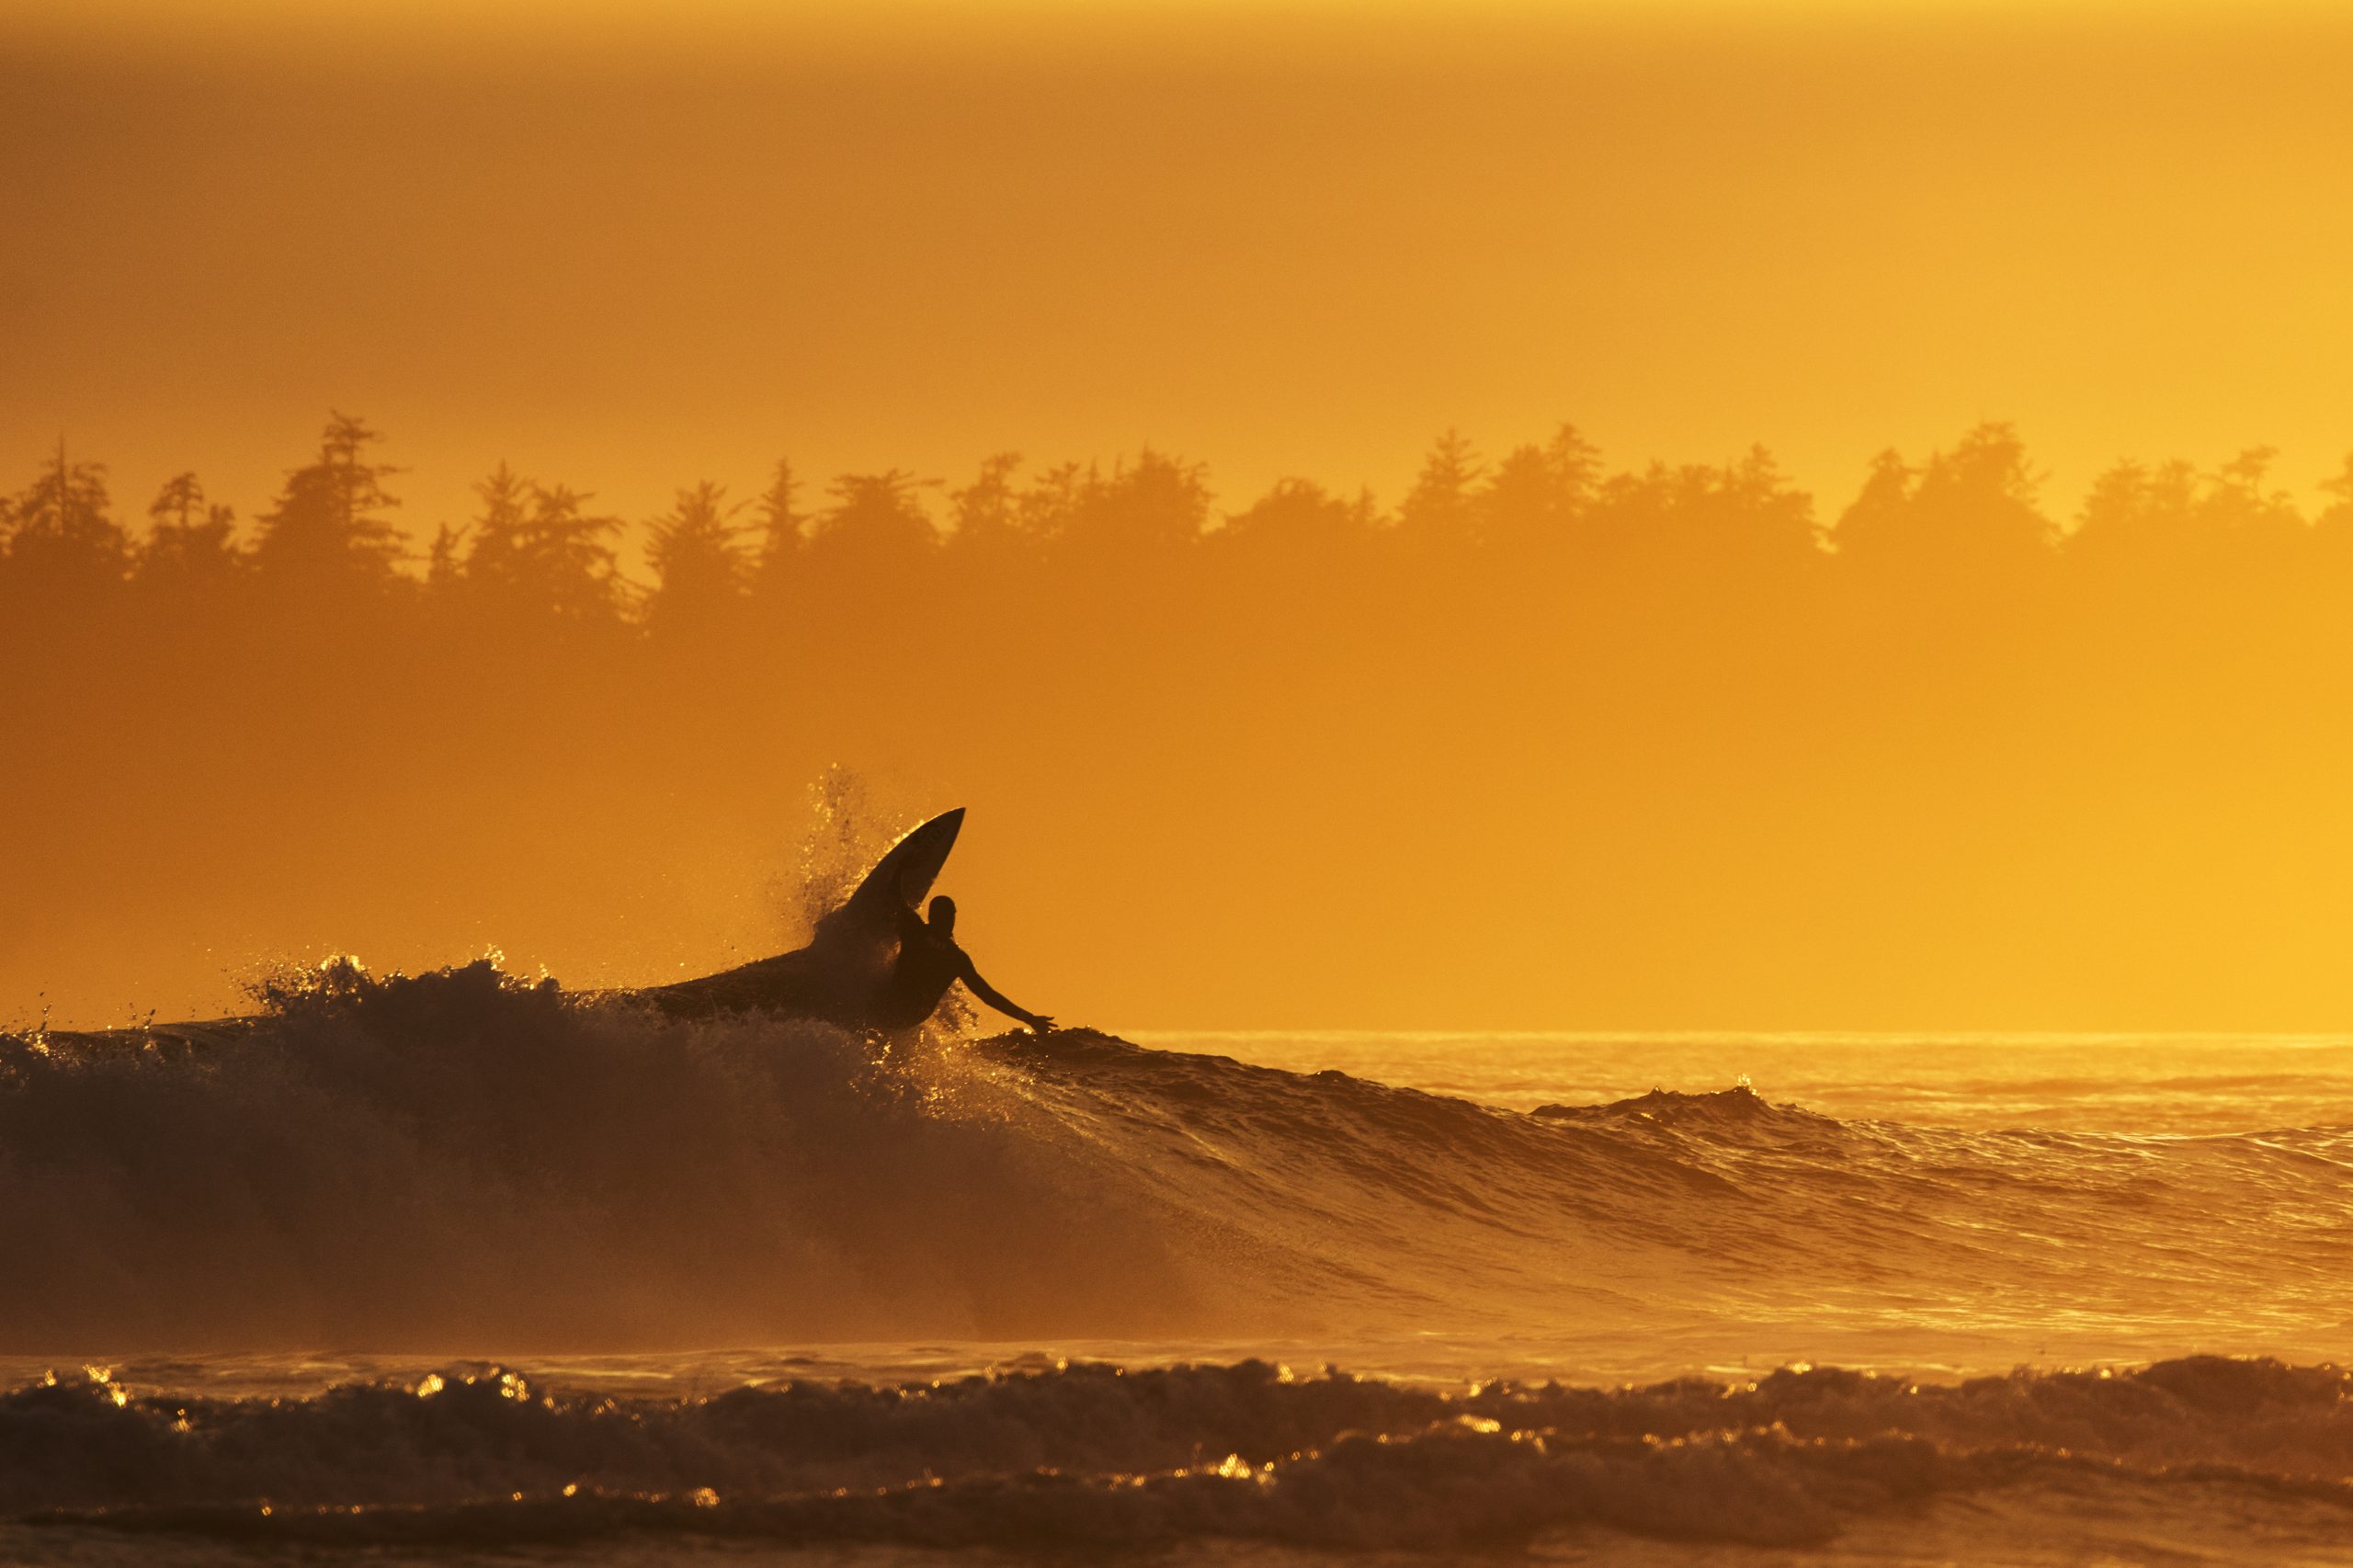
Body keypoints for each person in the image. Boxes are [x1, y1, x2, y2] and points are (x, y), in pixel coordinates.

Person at [870, 895, 1053, 1033]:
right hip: (908, 1016)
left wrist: (900, 871)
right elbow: (987, 995)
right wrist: (1029, 1018)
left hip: (893, 1007)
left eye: (951, 915)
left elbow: (896, 899)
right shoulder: (955, 957)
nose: (951, 920)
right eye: (948, 916)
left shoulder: (917, 931)